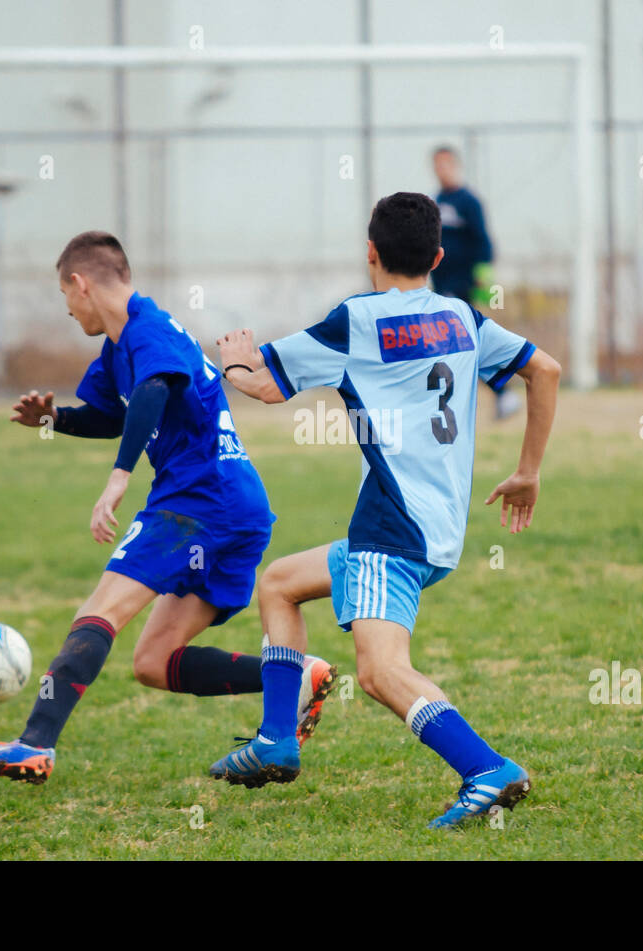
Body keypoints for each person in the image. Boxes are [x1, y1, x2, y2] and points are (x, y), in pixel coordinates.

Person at [208, 194, 561, 827]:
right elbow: (546, 371)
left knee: (379, 672)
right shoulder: (462, 316)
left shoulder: (358, 320)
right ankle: (275, 741)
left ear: (369, 251)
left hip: (392, 522)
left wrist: (235, 352)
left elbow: (261, 384)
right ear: (438, 256)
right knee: (281, 585)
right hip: (441, 524)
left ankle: (486, 768)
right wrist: (528, 471)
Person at [0, 231, 335, 787]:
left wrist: (119, 478)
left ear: (82, 283)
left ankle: (33, 746)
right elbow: (112, 415)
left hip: (198, 502)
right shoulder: (117, 350)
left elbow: (153, 390)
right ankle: (296, 678)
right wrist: (54, 419)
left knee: (100, 610)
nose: (69, 309)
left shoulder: (150, 330)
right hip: (234, 507)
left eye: (65, 295)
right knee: (154, 662)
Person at [431, 144, 522, 420]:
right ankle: (499, 394)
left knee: (460, 345)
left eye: (446, 164)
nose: (441, 169)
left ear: (456, 165)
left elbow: (483, 243)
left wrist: (484, 284)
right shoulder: (434, 201)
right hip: (442, 286)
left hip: (464, 286)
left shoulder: (469, 201)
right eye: (437, 164)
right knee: (457, 346)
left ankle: (502, 393)